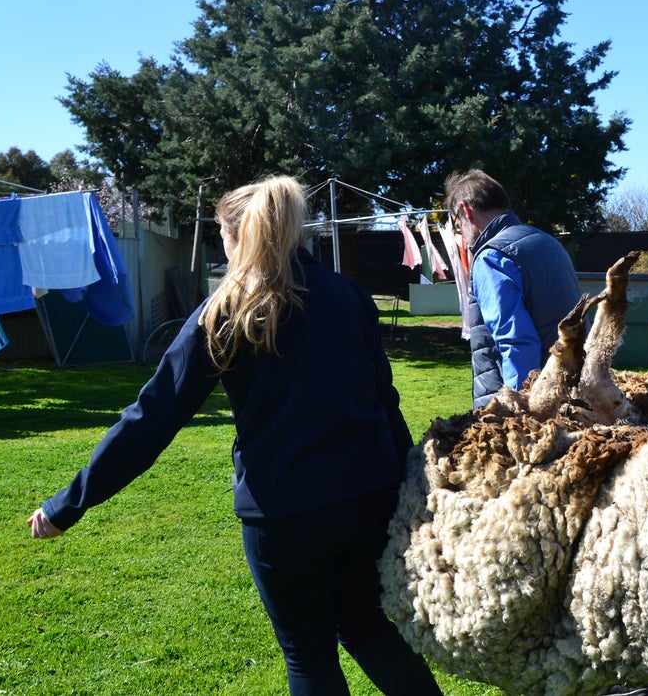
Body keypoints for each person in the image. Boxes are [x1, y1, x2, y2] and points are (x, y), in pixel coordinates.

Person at [28, 176, 442, 696]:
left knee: (309, 658)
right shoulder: (349, 297)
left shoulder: (227, 311)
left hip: (284, 515)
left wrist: (68, 504)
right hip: (370, 498)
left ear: (236, 237)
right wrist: (412, 484)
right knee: (372, 631)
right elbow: (387, 402)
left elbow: (151, 419)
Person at [443, 169, 582, 408]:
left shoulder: (492, 257)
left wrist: (521, 413)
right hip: (574, 396)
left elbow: (516, 342)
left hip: (529, 408)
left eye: (458, 226)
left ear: (466, 211)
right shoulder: (549, 243)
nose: (462, 237)